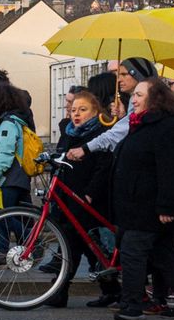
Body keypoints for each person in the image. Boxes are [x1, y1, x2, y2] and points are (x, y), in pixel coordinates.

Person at [111, 79, 174, 320]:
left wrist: (167, 205)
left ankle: (131, 306)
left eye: (139, 95)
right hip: (140, 202)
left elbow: (172, 170)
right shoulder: (142, 123)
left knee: (133, 250)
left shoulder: (167, 127)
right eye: (133, 95)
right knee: (163, 253)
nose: (133, 99)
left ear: (156, 99)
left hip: (151, 206)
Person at [44, 90, 120, 308]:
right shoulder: (69, 132)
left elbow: (104, 166)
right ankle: (111, 289)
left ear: (95, 112)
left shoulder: (100, 134)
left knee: (84, 243)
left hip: (87, 199)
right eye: (74, 109)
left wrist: (90, 192)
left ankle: (61, 291)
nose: (76, 114)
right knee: (81, 244)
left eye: (83, 110)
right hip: (68, 198)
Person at [67, 58, 157, 162]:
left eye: (124, 74)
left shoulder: (152, 106)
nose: (118, 80)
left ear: (138, 76)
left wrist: (86, 148)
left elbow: (119, 133)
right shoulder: (135, 103)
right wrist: (123, 117)